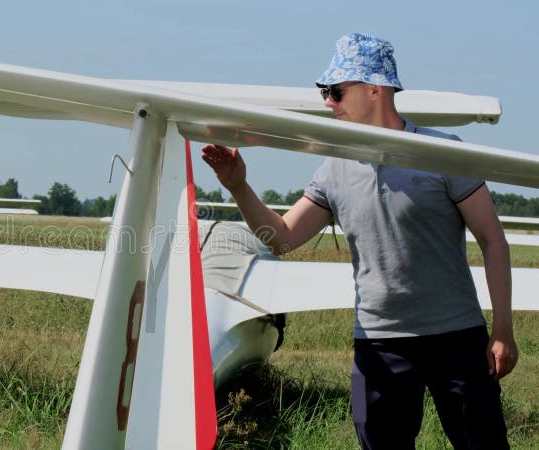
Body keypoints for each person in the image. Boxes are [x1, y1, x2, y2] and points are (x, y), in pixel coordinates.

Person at [202, 33, 517, 449]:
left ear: (374, 88)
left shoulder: (444, 154)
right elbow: (281, 239)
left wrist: (503, 329)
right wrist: (238, 186)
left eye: (335, 91)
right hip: (379, 343)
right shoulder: (334, 170)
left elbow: (492, 239)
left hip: (455, 338)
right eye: (324, 93)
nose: (328, 102)